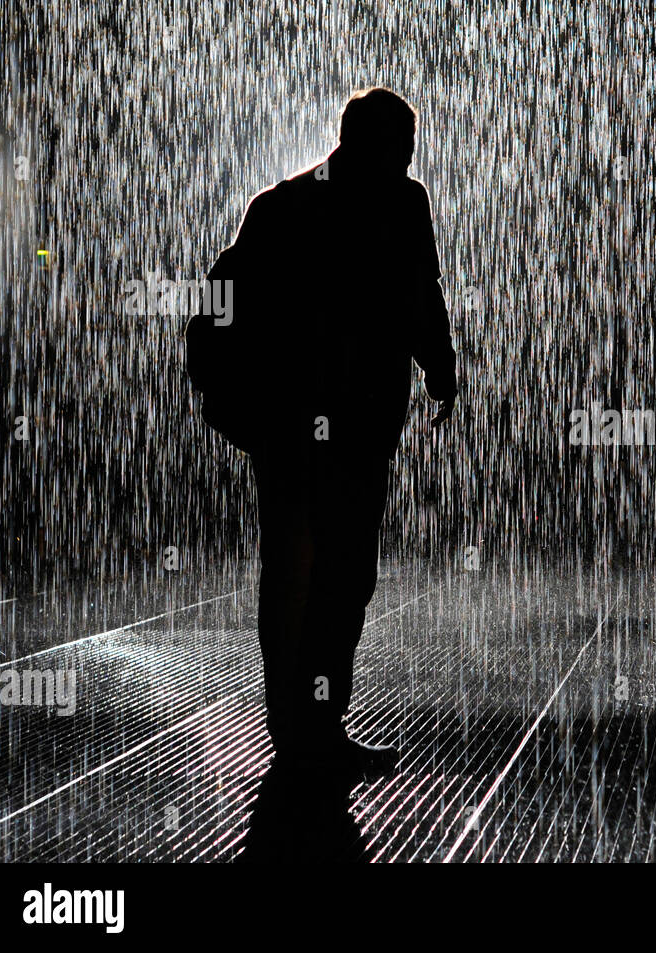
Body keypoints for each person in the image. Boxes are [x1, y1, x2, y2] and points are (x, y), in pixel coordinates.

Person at [186, 87, 457, 779]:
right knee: (331, 575)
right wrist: (440, 367)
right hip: (340, 424)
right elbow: (419, 296)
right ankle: (314, 725)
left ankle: (302, 728)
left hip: (304, 427)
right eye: (398, 149)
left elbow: (224, 307)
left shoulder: (285, 207)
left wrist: (438, 365)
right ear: (372, 144)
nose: (405, 162)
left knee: (309, 573)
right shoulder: (382, 204)